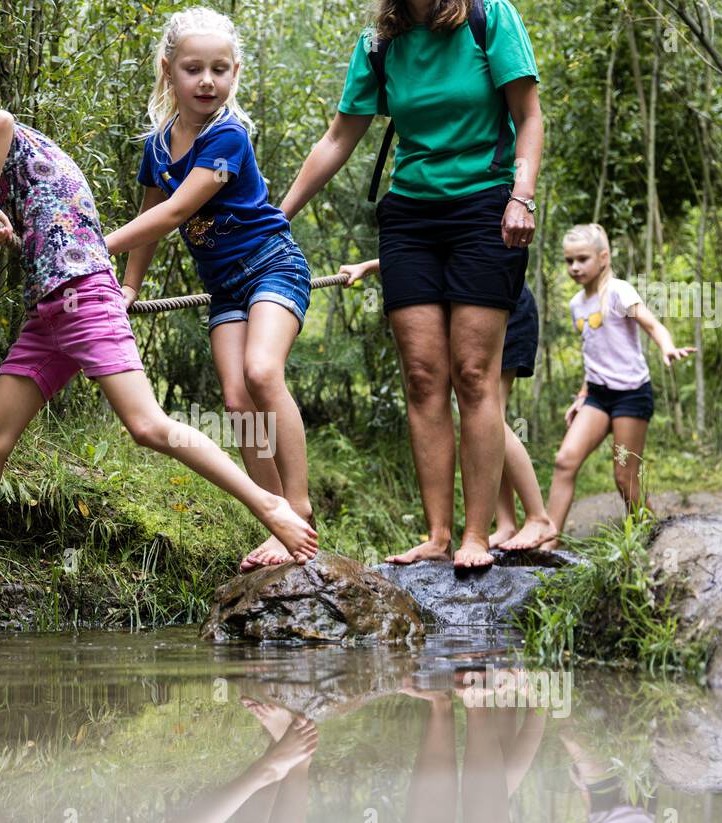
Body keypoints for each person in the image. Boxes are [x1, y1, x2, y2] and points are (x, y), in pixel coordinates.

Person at [0, 96, 316, 616]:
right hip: (50, 304)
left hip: (83, 290)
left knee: (148, 426)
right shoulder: (6, 161)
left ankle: (271, 504)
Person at [281, 0, 544, 568]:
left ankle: (478, 535)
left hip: (485, 208)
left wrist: (521, 196)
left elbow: (528, 115)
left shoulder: (489, 17)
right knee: (424, 375)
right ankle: (437, 535)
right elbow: (336, 139)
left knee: (474, 373)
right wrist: (281, 217)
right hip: (410, 218)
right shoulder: (380, 42)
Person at [107, 7, 314, 572]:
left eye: (219, 70)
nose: (206, 81)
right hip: (224, 289)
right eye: (193, 68)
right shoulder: (156, 145)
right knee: (236, 400)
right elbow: (149, 211)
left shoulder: (228, 135)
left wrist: (95, 246)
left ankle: (298, 510)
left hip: (272, 266)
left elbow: (175, 212)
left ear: (235, 73)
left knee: (263, 373)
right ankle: (273, 516)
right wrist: (128, 283)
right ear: (168, 71)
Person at [340, 261, 557, 551]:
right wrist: (371, 265)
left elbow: (458, 233)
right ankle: (506, 523)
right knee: (491, 419)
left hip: (502, 306)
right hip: (472, 305)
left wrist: (370, 265)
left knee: (493, 419)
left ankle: (538, 517)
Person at [541, 223, 696, 548]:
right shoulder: (575, 305)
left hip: (631, 397)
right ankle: (547, 543)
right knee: (564, 460)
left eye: (582, 259)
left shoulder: (619, 292)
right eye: (569, 261)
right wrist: (582, 396)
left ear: (603, 257)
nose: (574, 267)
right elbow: (593, 353)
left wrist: (667, 347)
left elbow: (652, 325)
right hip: (597, 397)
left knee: (625, 479)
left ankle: (654, 540)